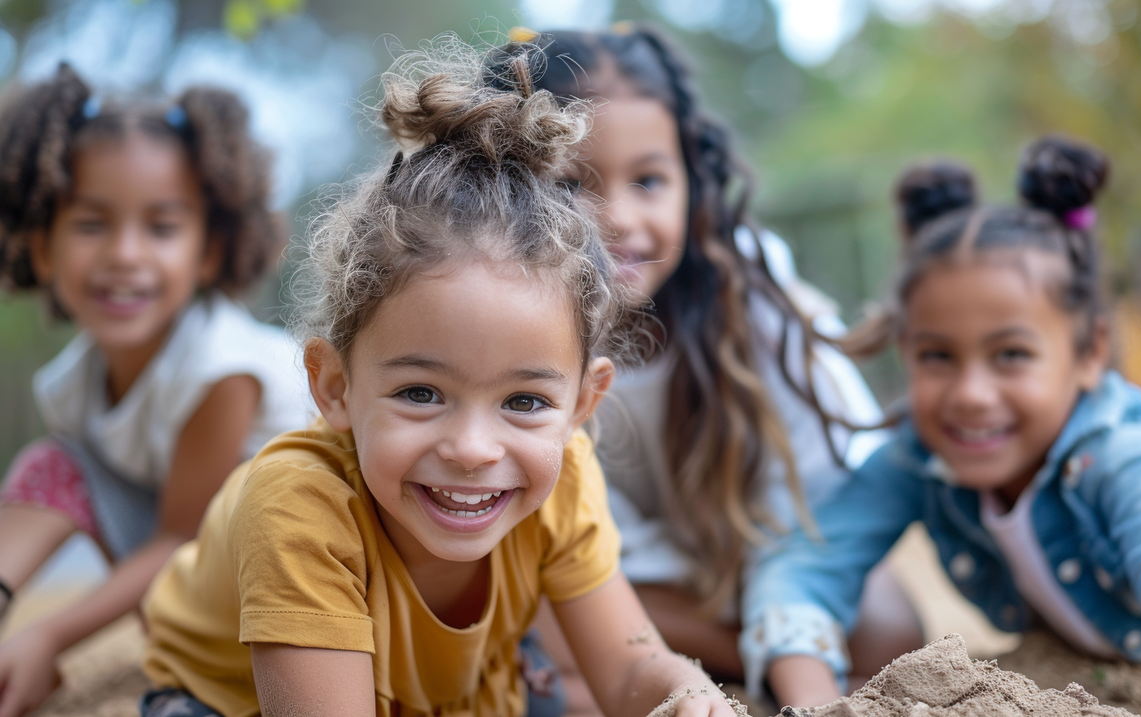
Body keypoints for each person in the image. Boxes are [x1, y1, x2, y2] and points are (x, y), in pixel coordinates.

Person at [137, 37, 740, 717]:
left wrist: (687, 694)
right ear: (334, 386)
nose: (473, 447)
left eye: (524, 400)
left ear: (582, 401)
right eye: (421, 393)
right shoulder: (300, 505)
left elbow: (630, 664)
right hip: (229, 698)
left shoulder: (565, 476)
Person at [741, 135, 1141, 717]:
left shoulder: (1119, 450)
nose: (971, 396)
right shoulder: (921, 458)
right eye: (937, 357)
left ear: (1089, 352)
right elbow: (809, 560)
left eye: (1011, 355)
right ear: (905, 351)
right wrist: (816, 702)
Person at [507, 25, 922, 704]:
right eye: (572, 184)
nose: (619, 217)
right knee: (541, 611)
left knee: (889, 623)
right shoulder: (505, 329)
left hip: (759, 566)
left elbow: (819, 493)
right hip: (597, 582)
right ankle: (729, 668)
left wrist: (780, 613)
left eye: (648, 179)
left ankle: (746, 658)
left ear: (691, 181)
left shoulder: (748, 295)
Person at [0, 65, 309, 717]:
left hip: (303, 569)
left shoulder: (223, 368)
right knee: (54, 464)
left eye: (161, 227)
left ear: (207, 251)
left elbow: (179, 533)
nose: (125, 253)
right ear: (43, 248)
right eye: (91, 224)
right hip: (201, 572)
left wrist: (49, 634)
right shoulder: (73, 383)